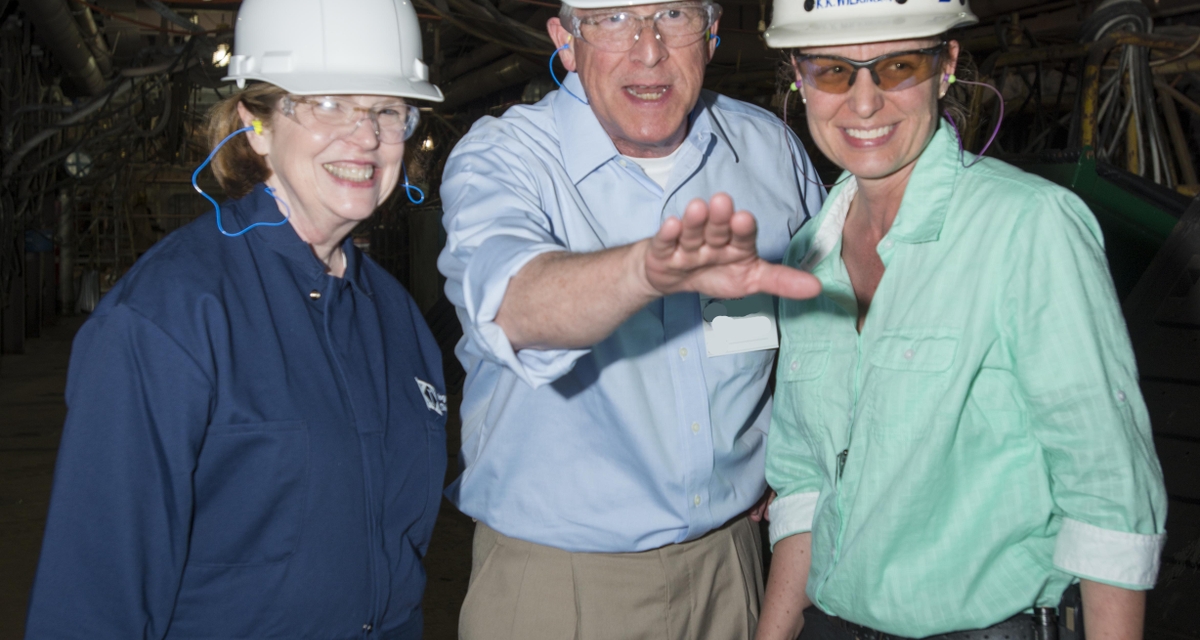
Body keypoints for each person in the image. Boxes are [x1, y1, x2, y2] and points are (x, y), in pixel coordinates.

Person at [24, 0, 448, 637]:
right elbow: (93, 596)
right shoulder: (167, 318)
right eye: (328, 102)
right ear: (256, 124)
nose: (365, 137)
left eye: (387, 110)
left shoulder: (393, 315)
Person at [755, 1, 1169, 639]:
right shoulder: (807, 253)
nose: (864, 105)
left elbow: (1107, 493)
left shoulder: (1028, 227)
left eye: (897, 67)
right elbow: (806, 486)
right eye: (834, 71)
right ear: (798, 76)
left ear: (946, 66)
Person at [437, 0, 825, 638]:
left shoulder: (767, 149)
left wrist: (793, 458)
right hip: (557, 588)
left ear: (711, 31)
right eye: (613, 19)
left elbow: (820, 327)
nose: (648, 49)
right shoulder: (506, 158)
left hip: (733, 566)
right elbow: (512, 303)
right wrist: (647, 271)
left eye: (673, 14)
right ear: (566, 41)